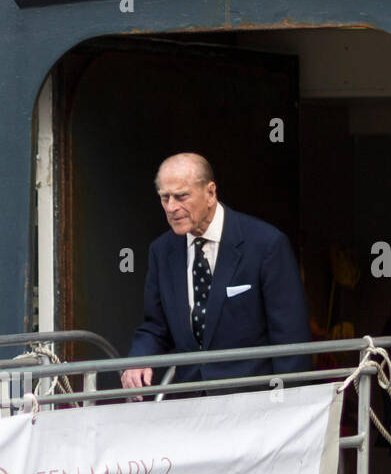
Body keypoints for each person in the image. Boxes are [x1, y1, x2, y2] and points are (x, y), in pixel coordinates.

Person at [121, 153, 311, 393]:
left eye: (181, 196)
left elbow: (291, 338)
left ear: (210, 193)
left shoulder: (266, 245)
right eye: (164, 198)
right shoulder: (162, 251)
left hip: (254, 400)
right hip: (192, 403)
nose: (171, 207)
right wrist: (139, 358)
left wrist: (289, 403)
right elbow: (156, 326)